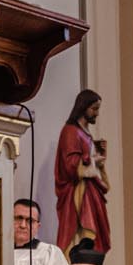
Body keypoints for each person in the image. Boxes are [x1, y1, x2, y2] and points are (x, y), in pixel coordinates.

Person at [55, 89, 111, 254]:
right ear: (83, 107)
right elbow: (70, 164)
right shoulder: (70, 131)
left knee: (94, 241)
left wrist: (99, 159)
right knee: (81, 237)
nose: (97, 113)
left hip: (90, 191)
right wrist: (93, 160)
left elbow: (88, 160)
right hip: (78, 194)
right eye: (94, 108)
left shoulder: (85, 132)